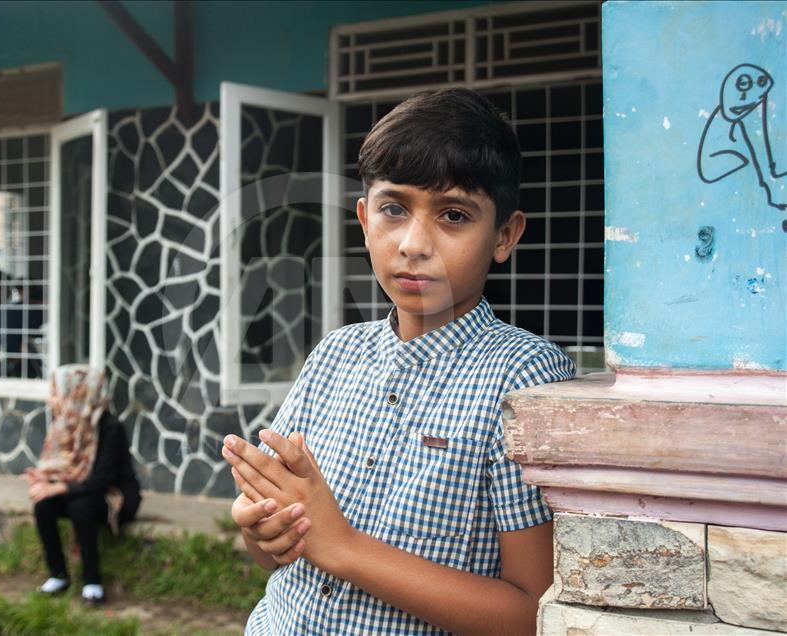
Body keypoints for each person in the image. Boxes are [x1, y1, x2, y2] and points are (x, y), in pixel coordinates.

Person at [222, 88, 576, 634]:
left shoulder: (521, 377)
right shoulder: (335, 355)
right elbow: (276, 551)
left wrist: (344, 548)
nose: (414, 243)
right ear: (364, 219)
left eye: (453, 215)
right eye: (394, 209)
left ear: (505, 235)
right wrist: (260, 530)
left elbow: (532, 614)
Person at [23, 365, 142, 604]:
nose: (51, 400)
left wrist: (58, 487)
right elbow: (65, 468)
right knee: (43, 506)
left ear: (78, 393)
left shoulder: (110, 428)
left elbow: (101, 480)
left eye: (57, 393)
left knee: (80, 507)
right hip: (81, 492)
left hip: (113, 496)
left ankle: (92, 582)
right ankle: (58, 575)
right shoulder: (66, 424)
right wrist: (45, 478)